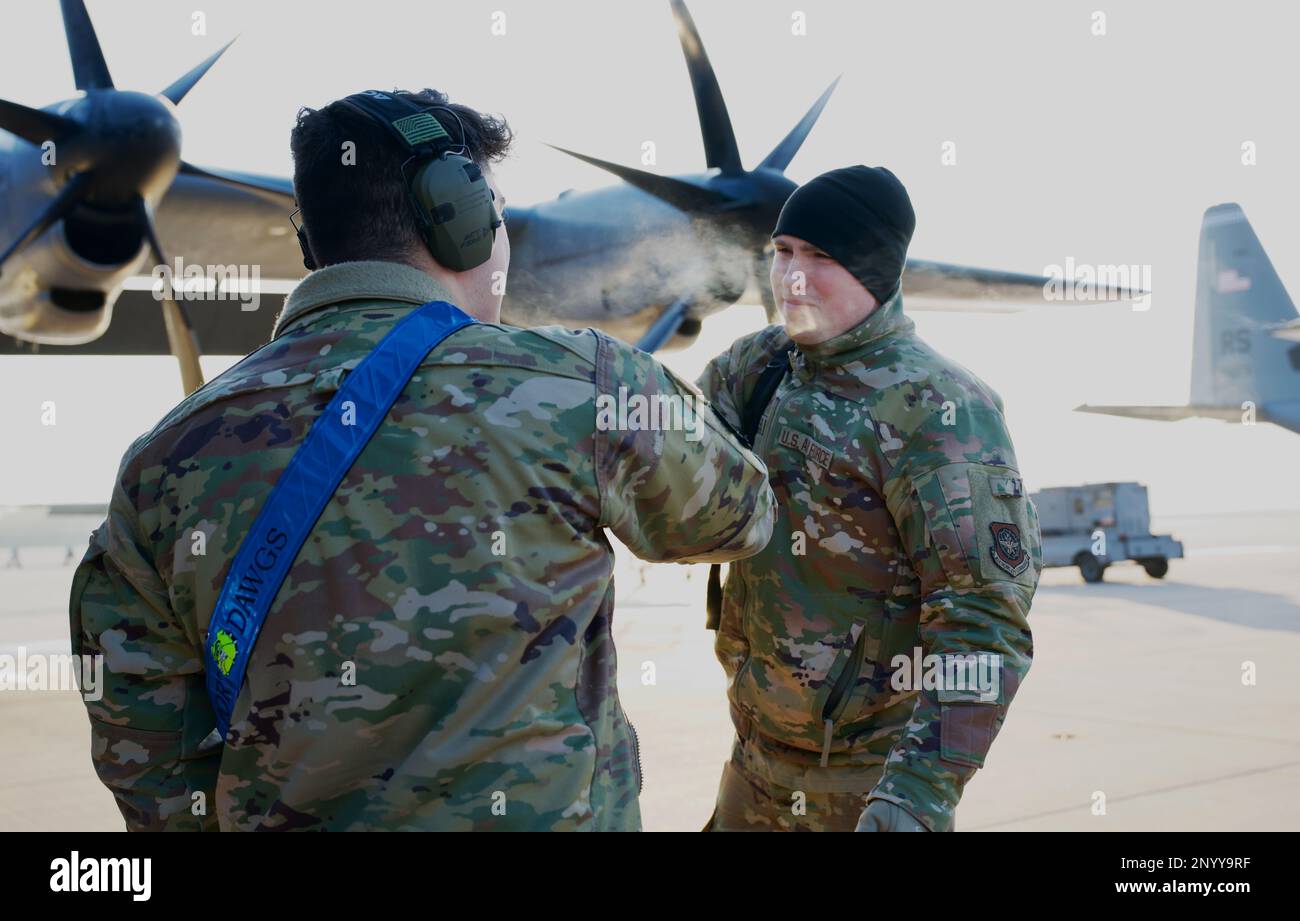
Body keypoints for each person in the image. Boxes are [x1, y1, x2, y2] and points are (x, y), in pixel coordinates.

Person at [70, 88, 774, 831]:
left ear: (311, 242)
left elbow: (144, 754)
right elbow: (741, 515)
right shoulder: (584, 385)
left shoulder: (162, 459)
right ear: (464, 223)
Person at [697, 165, 1040, 832]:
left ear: (876, 271)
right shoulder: (755, 368)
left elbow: (983, 620)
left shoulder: (942, 410)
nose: (793, 277)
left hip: (867, 789)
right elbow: (665, 479)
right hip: (753, 770)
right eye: (783, 252)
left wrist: (916, 794)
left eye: (821, 257)